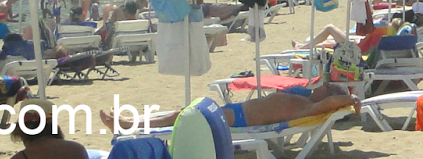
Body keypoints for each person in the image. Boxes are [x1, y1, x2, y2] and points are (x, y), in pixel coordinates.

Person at [103, 81, 357, 132]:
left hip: (238, 119)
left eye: (327, 85)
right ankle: (129, 121)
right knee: (179, 114)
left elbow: (334, 101)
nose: (322, 84)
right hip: (236, 113)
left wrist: (353, 100)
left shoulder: (308, 108)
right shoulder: (305, 100)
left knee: (181, 117)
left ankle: (128, 123)